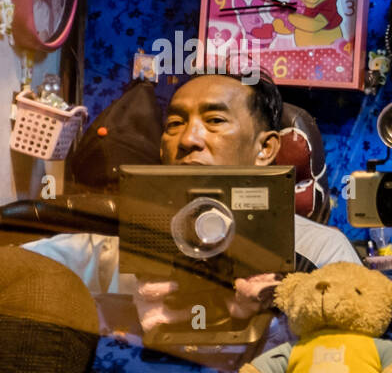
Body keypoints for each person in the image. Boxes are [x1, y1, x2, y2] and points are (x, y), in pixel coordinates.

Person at [23, 72, 359, 325]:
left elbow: (350, 358)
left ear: (265, 149)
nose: (188, 138)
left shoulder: (319, 251)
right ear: (160, 149)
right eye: (174, 124)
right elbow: (19, 270)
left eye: (214, 121)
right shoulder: (121, 242)